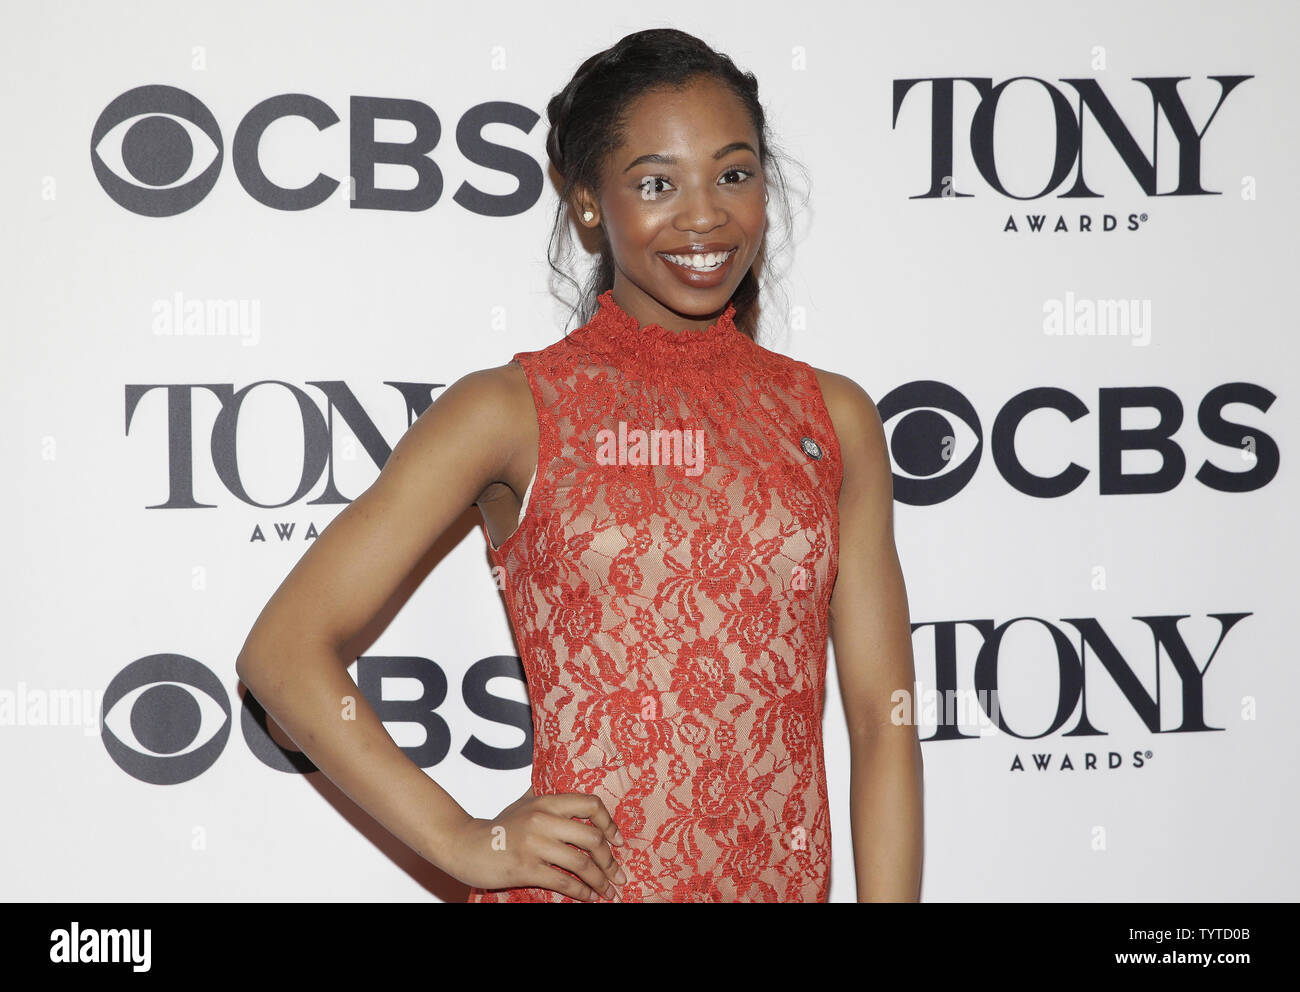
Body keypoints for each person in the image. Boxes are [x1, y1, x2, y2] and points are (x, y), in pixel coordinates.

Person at [236, 27, 923, 903]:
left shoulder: (836, 418)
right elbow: (282, 653)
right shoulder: (510, 410)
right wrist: (464, 838)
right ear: (590, 204)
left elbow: (880, 720)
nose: (705, 213)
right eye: (656, 183)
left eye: (735, 174)